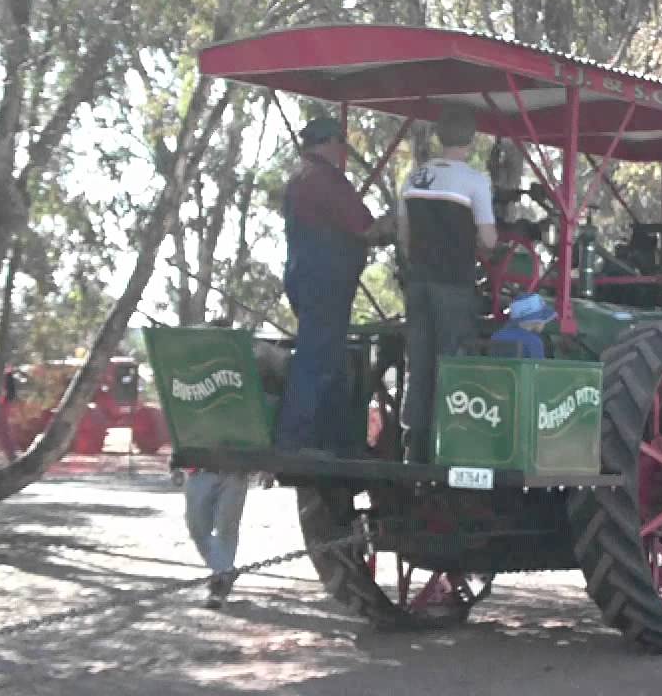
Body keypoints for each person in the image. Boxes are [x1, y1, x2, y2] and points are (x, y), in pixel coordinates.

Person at [398, 105, 497, 463]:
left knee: (419, 360)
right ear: (471, 141)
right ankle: (452, 442)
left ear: (438, 137)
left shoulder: (415, 178)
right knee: (453, 358)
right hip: (454, 283)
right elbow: (488, 239)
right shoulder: (474, 181)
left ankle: (416, 444)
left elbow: (405, 233)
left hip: (419, 280)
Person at [274, 116, 375, 455]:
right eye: (340, 144)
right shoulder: (324, 180)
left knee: (326, 356)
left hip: (306, 275)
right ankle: (296, 439)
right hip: (325, 280)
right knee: (317, 358)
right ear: (330, 142)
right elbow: (363, 226)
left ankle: (327, 440)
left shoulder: (301, 177)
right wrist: (397, 225)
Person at [185, 469, 249, 609]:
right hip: (199, 469)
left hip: (236, 469)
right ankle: (224, 569)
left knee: (227, 527)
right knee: (196, 528)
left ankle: (221, 580)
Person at [489, 292, 555, 359]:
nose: (544, 322)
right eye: (543, 318)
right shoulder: (534, 342)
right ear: (536, 320)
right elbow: (537, 368)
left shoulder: (496, 336)